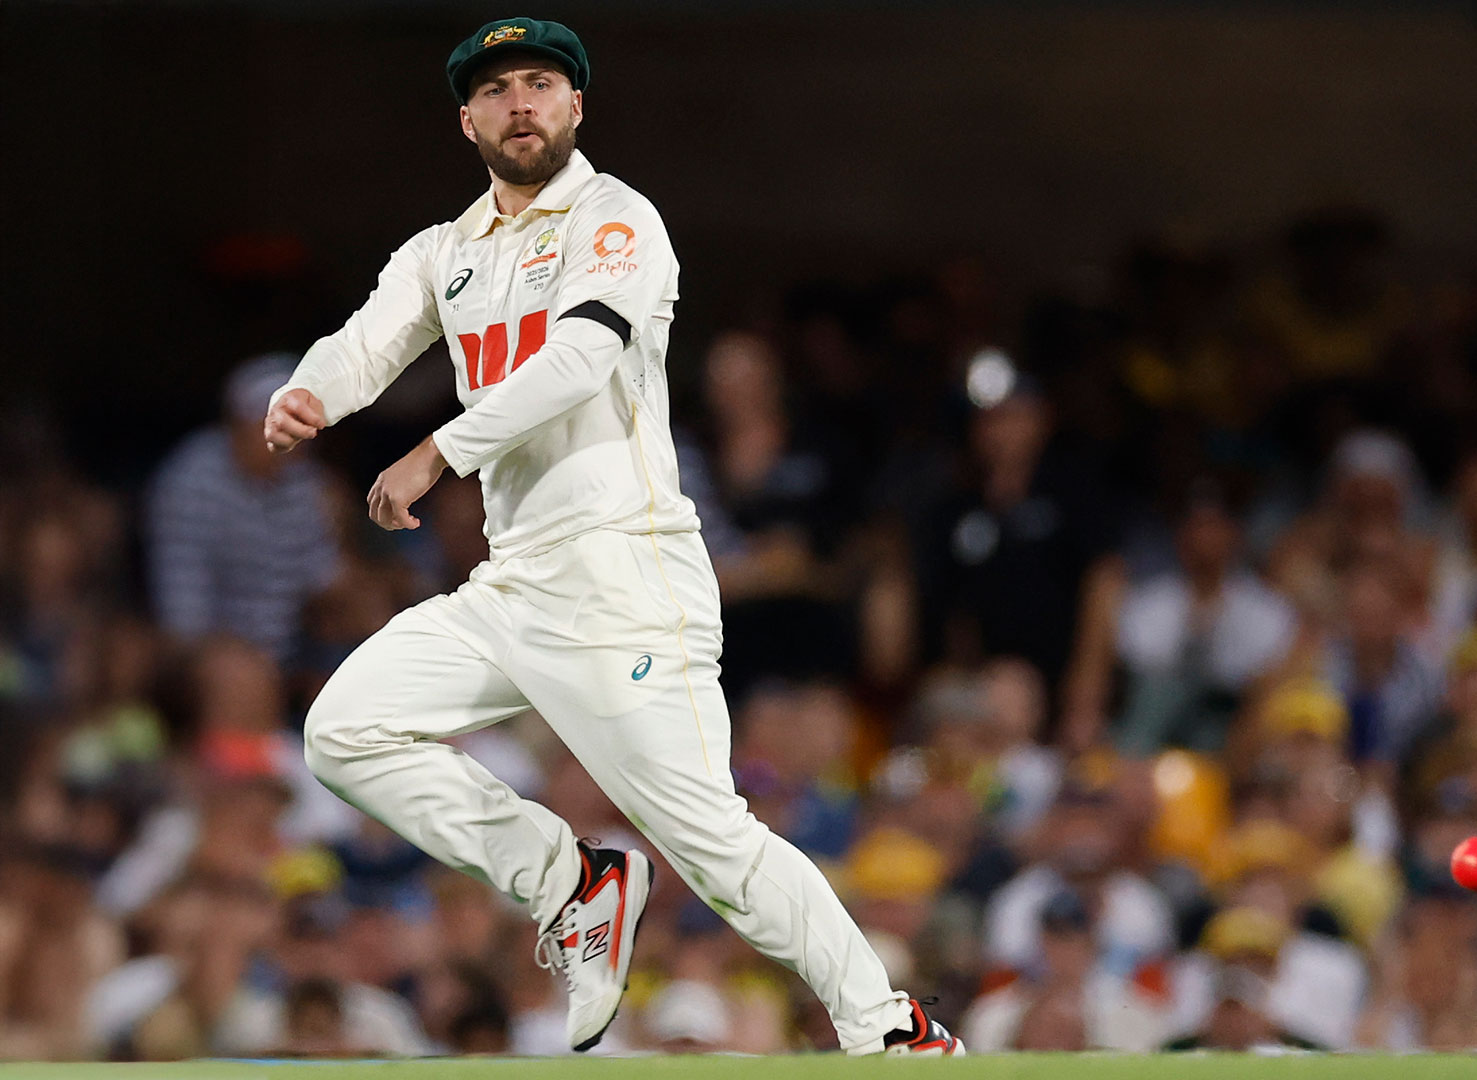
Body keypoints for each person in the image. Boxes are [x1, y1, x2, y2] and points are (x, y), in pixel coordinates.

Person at [259, 17, 959, 1056]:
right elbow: (367, 340)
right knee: (345, 730)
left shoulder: (617, 217)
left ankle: (891, 1026)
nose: (522, 103)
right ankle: (571, 881)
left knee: (713, 845)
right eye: (497, 91)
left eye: (541, 83)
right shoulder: (443, 252)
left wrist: (435, 454)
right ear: (468, 120)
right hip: (516, 584)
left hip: (627, 575)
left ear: (576, 105)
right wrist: (309, 391)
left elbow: (581, 356)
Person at [147, 353, 342, 662]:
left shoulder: (305, 480)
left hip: (293, 651)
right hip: (216, 655)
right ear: (238, 425)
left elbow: (321, 579)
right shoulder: (191, 480)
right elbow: (184, 617)